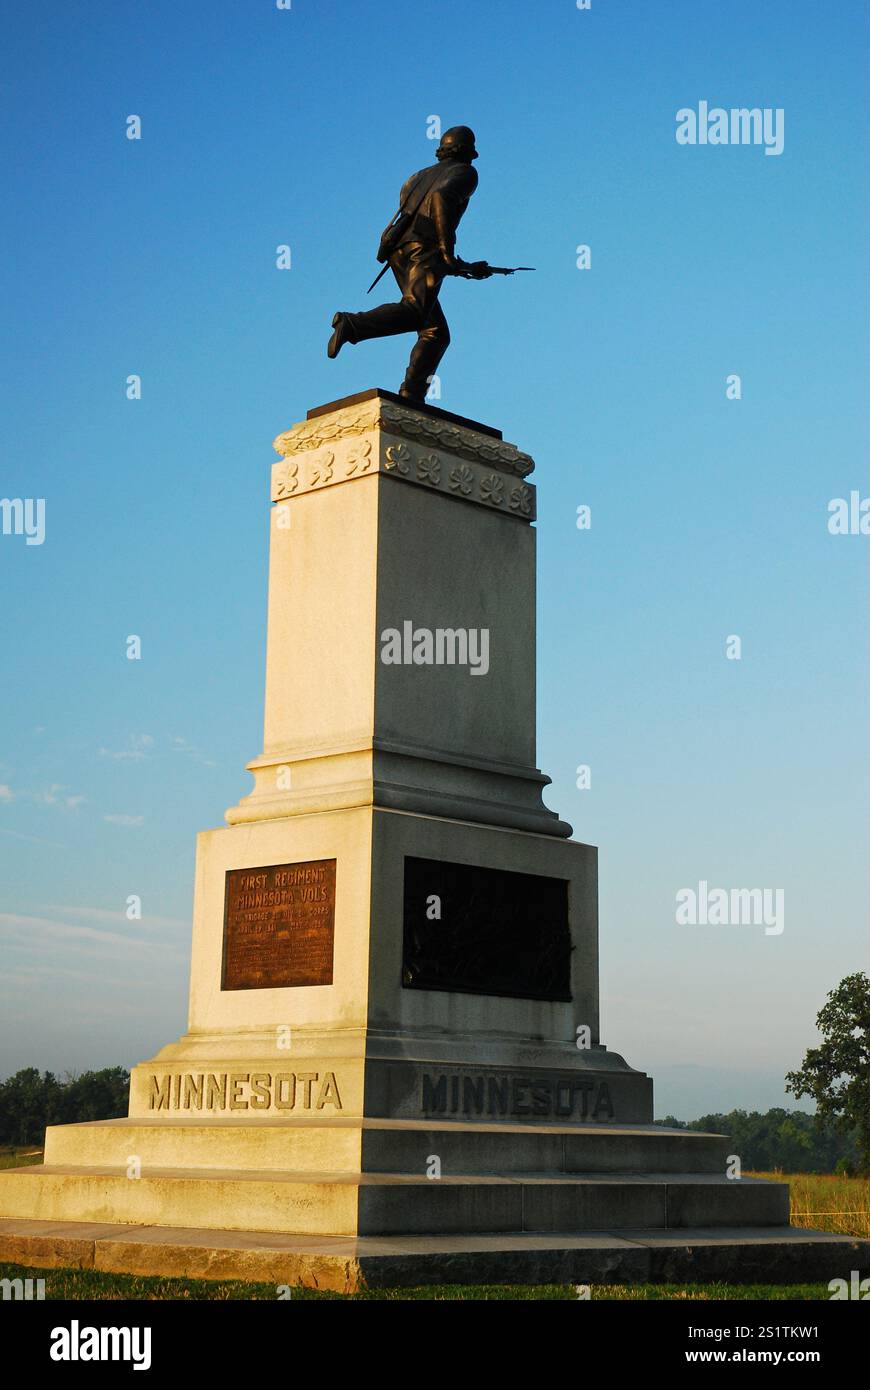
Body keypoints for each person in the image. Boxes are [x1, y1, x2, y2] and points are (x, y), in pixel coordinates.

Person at [327, 125, 492, 402]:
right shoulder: (465, 172)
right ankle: (351, 324)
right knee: (416, 310)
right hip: (424, 249)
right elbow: (441, 198)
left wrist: (465, 267)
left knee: (435, 332)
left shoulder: (415, 177)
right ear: (468, 151)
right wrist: (447, 252)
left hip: (399, 252)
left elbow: (409, 218)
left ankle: (411, 394)